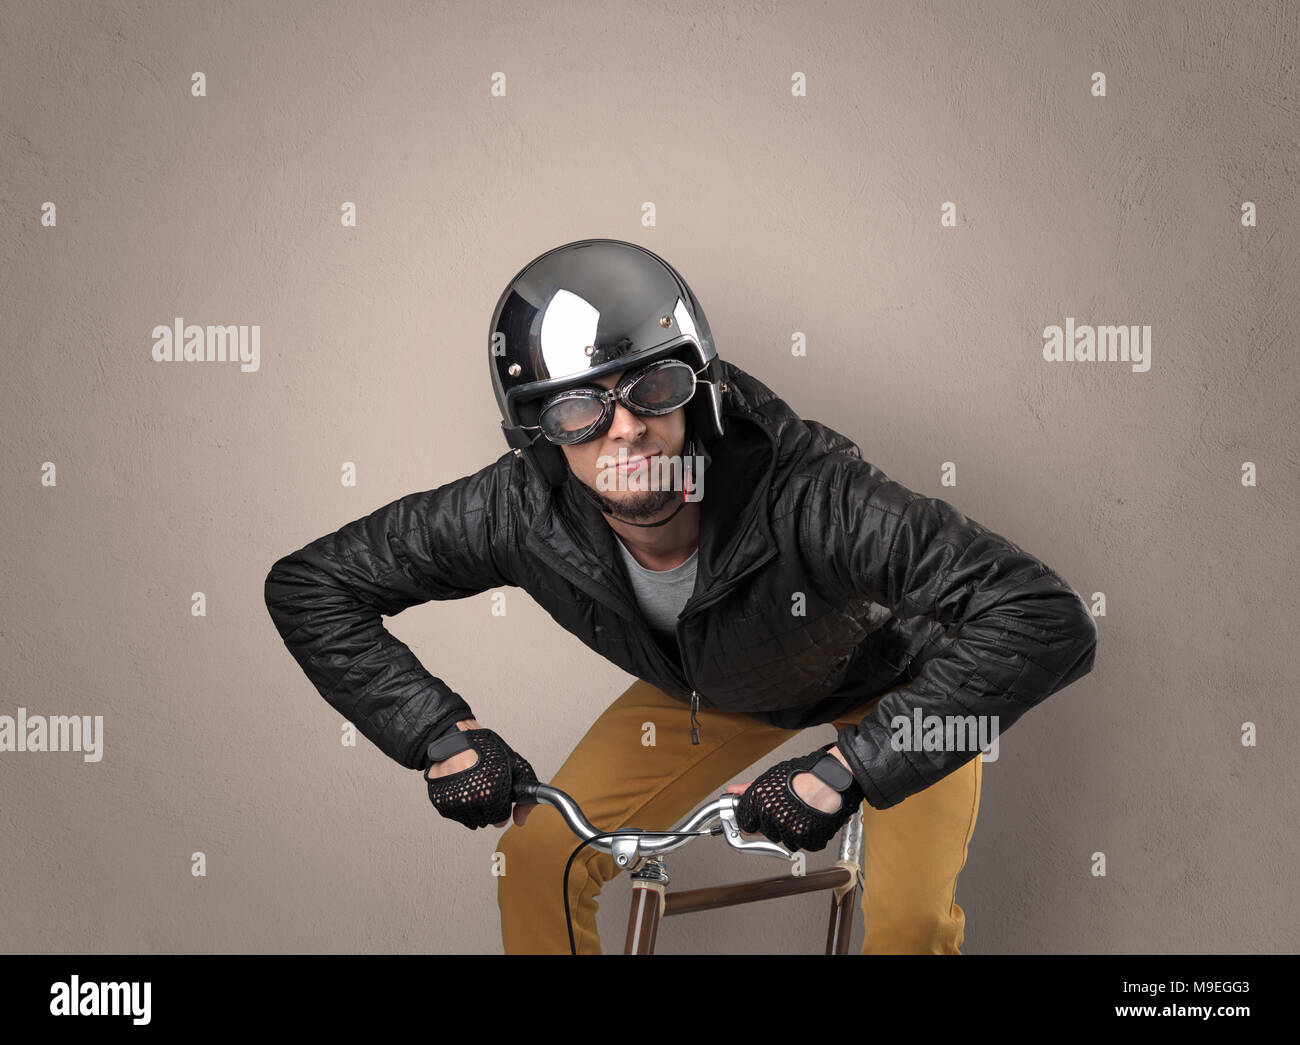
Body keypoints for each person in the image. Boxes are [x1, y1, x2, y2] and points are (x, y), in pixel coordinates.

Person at [264, 238, 1098, 954]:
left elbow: (1044, 616)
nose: (623, 427)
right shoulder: (517, 510)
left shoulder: (809, 491)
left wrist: (852, 765)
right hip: (720, 687)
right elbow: (313, 585)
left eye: (651, 390)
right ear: (539, 435)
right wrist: (440, 737)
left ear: (696, 393)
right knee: (536, 858)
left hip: (894, 686)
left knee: (909, 924)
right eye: (580, 410)